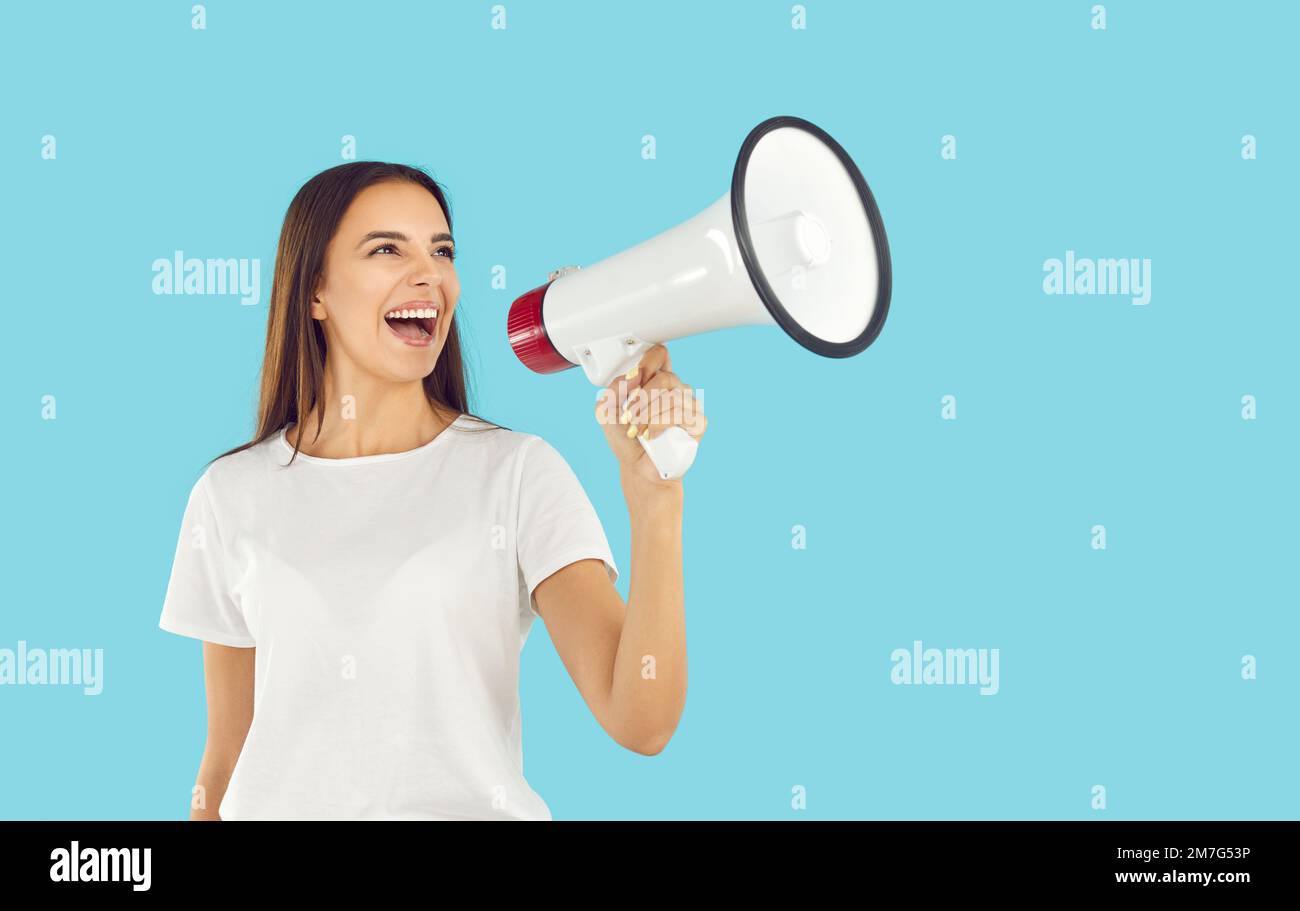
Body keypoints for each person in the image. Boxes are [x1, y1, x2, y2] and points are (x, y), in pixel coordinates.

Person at [157, 162, 707, 820]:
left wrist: (655, 499)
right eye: (387, 248)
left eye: (442, 251)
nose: (429, 274)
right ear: (315, 292)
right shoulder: (230, 495)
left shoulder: (517, 473)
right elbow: (225, 760)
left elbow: (640, 720)